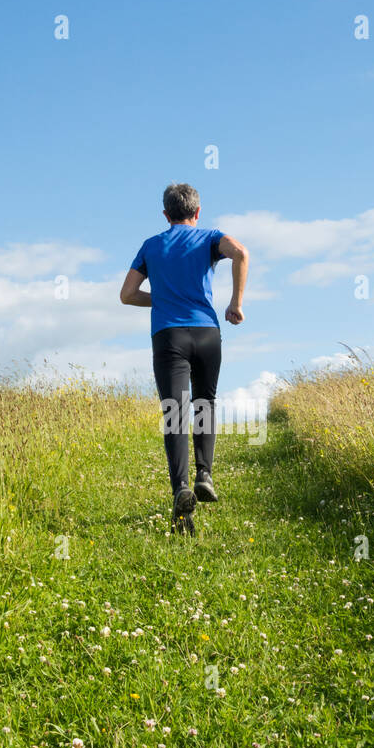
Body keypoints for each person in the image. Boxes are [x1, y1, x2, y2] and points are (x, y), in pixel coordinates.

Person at [120, 183, 249, 533]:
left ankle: (181, 490)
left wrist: (161, 298)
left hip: (168, 336)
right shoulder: (210, 238)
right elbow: (240, 252)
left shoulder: (151, 245)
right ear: (197, 211)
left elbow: (127, 295)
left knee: (174, 412)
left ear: (166, 214)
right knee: (204, 403)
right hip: (207, 333)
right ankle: (204, 473)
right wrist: (236, 303)